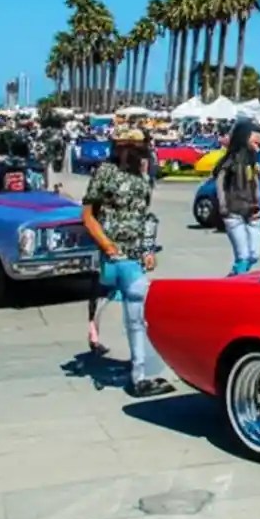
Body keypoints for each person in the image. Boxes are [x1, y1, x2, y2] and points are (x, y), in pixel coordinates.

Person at [81, 128, 172, 397]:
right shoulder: (106, 172)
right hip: (115, 255)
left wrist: (148, 249)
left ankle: (138, 372)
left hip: (133, 253)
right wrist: (108, 246)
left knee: (136, 309)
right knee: (135, 307)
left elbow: (143, 215)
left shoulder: (143, 176)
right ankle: (138, 375)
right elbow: (88, 215)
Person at [213, 121, 260, 275]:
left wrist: (259, 202)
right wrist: (223, 206)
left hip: (252, 212)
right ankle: (236, 283)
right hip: (233, 211)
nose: (259, 140)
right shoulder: (231, 161)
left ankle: (234, 277)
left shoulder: (253, 161)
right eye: (255, 136)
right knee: (243, 257)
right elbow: (220, 182)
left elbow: (256, 183)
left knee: (254, 255)